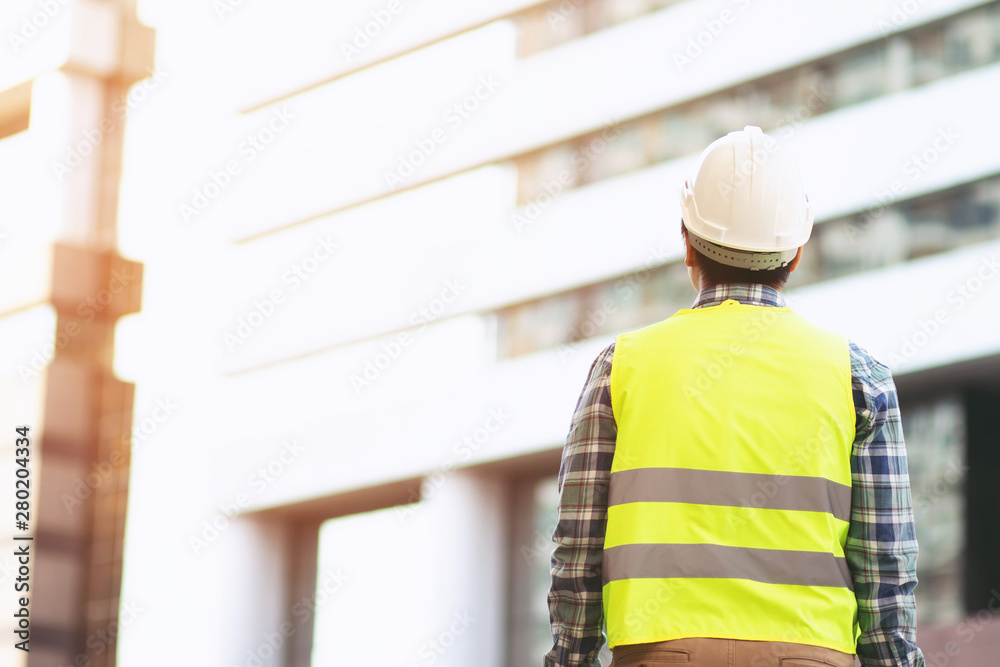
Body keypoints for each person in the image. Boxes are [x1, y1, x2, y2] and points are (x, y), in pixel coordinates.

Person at [544, 126, 924, 667]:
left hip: (662, 653)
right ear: (795, 253)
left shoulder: (621, 367)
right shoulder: (859, 376)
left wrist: (570, 658)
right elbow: (888, 566)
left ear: (687, 243)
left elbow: (576, 550)